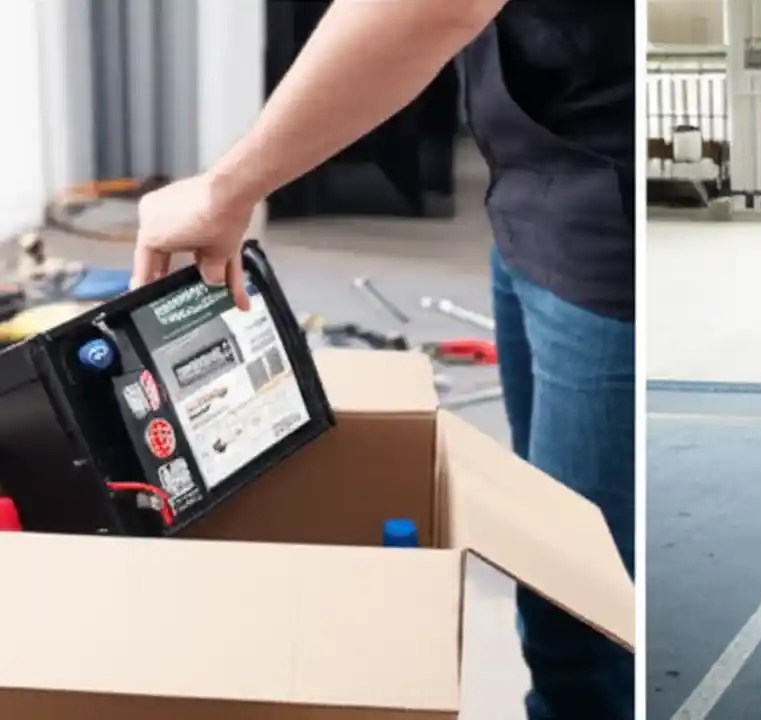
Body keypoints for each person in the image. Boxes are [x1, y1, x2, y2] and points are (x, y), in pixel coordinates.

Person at [126, 2, 636, 718]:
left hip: (607, 231)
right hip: (532, 197)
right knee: (552, 579)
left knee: (587, 627)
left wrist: (227, 187)